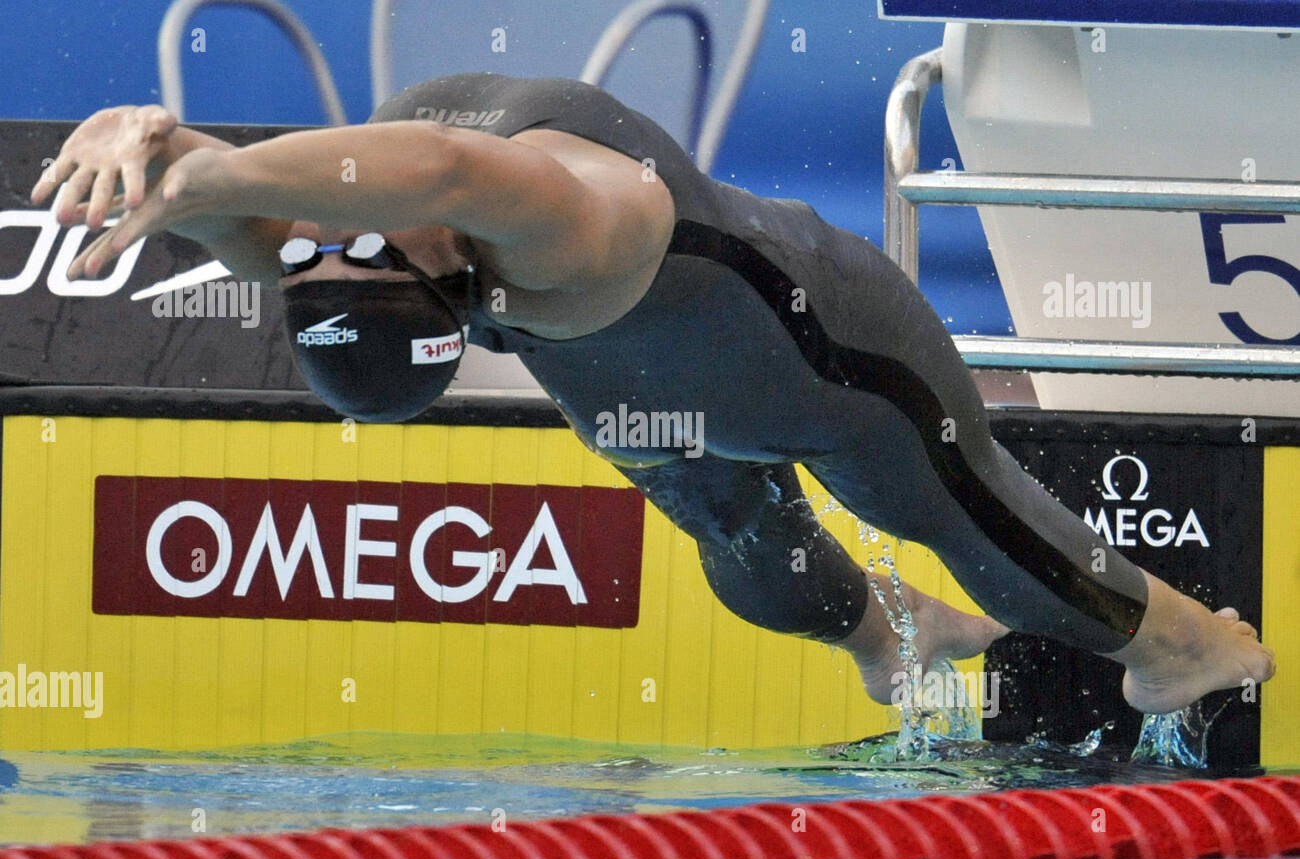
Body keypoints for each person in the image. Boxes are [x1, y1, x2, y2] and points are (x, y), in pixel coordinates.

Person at [34, 73, 1274, 716]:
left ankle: (1048, 644)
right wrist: (188, 158)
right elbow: (391, 176)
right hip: (726, 372)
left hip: (730, 368)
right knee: (844, 522)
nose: (320, 235)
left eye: (323, 247)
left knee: (844, 516)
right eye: (336, 251)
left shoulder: (445, 233)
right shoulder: (495, 236)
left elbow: (271, 182)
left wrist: (164, 145)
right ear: (451, 280)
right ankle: (1038, 645)